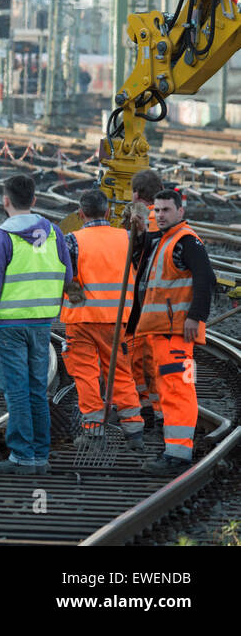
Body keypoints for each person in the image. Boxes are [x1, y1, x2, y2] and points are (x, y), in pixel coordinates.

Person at [0, 174, 72, 474]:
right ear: (34, 200)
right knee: (36, 388)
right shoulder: (54, 232)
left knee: (16, 389)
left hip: (9, 325)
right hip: (42, 322)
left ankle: (21, 456)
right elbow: (68, 277)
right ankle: (39, 456)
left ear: (5, 201)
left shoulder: (3, 237)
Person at [128, 189, 215, 474]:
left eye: (166, 210)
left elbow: (206, 279)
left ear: (180, 212)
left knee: (178, 390)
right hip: (163, 331)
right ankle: (174, 450)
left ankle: (177, 455)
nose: (161, 215)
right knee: (171, 389)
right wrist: (140, 235)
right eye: (157, 211)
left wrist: (196, 317)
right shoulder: (164, 240)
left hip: (176, 331)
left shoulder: (186, 241)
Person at [60, 190, 145, 450]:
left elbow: (65, 276)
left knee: (86, 374)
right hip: (117, 319)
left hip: (82, 320)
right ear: (108, 212)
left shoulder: (72, 239)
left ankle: (94, 432)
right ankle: (134, 432)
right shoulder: (127, 237)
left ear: (81, 214)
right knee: (119, 372)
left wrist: (76, 296)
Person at [127, 169, 165, 430]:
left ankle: (147, 407)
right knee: (160, 361)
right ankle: (161, 409)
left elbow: (134, 258)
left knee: (139, 358)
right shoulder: (168, 217)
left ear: (137, 194)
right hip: (167, 303)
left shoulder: (142, 219)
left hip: (143, 301)